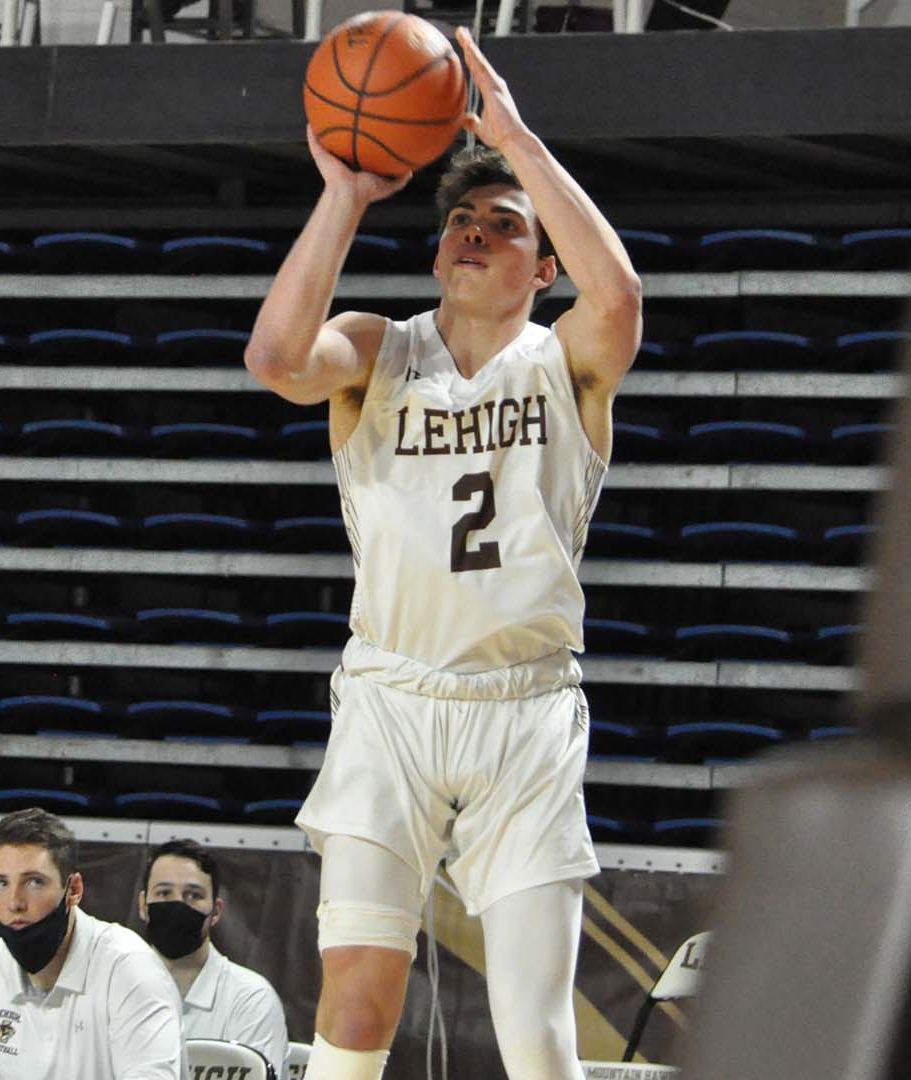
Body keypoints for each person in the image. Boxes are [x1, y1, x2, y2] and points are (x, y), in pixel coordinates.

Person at [243, 28, 642, 1080]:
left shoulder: (569, 361)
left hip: (525, 707)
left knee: (536, 1033)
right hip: (393, 697)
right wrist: (345, 194)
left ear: (541, 263)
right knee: (360, 1003)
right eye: (460, 220)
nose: (473, 233)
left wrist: (515, 141)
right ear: (434, 253)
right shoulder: (379, 349)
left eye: (502, 226)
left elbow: (621, 300)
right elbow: (275, 356)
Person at [0, 809, 185, 1080]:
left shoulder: (129, 968)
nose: (15, 903)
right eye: (1, 883)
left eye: (34, 882)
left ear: (74, 890)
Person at [135, 838, 288, 1071]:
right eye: (164, 893)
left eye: (193, 895)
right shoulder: (112, 989)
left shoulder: (251, 1000)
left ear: (215, 911)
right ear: (143, 906)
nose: (178, 904)